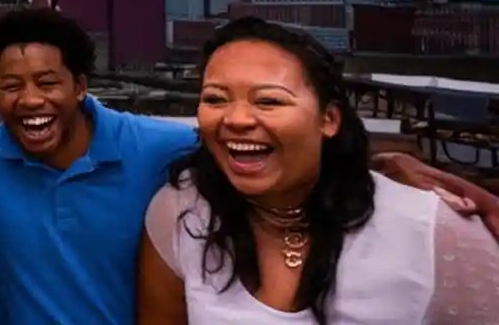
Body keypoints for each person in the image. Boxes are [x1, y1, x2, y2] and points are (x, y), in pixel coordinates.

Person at [0, 7, 499, 325]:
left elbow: (263, 145)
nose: (30, 100)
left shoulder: (152, 147)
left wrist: (384, 162)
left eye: (48, 83)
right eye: (11, 87)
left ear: (79, 86)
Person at [137, 17, 499, 324]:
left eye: (269, 101)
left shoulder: (434, 231)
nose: (237, 119)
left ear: (329, 119)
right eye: (215, 99)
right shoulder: (183, 213)